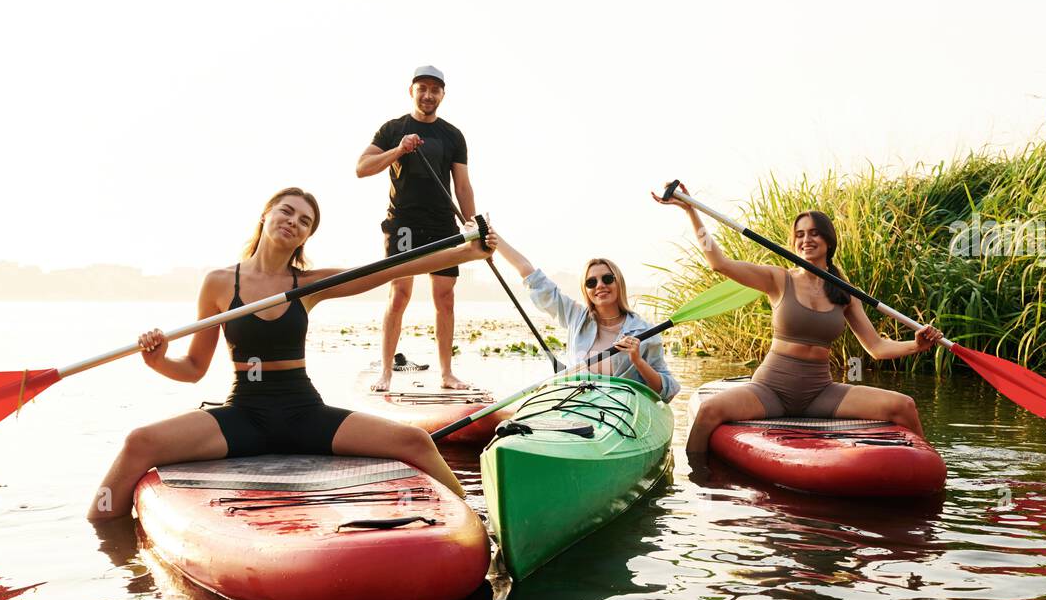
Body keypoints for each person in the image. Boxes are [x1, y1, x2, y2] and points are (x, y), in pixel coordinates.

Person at [86, 187, 492, 520]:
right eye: (287, 212)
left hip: (303, 413)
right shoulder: (219, 283)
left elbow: (389, 269)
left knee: (416, 441)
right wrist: (158, 361)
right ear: (265, 215)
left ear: (305, 237)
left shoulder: (309, 284)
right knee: (139, 442)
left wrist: (466, 253)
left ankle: (478, 526)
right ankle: (107, 537)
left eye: (304, 222)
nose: (293, 222)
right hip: (244, 414)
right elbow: (193, 368)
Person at [653, 182, 941, 452]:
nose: (806, 239)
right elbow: (719, 263)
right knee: (709, 411)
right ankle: (697, 476)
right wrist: (691, 211)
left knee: (904, 405)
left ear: (828, 240)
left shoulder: (846, 292)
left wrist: (916, 345)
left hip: (820, 392)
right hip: (770, 389)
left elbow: (876, 347)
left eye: (814, 233)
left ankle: (929, 467)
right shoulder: (778, 279)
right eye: (800, 234)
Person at [356, 65, 475, 392]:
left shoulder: (452, 135)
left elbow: (462, 186)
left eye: (434, 90)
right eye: (422, 88)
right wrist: (399, 150)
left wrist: (472, 225)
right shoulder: (393, 129)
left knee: (445, 298)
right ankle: (386, 373)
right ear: (412, 91)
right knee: (400, 295)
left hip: (442, 224)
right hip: (403, 223)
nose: (428, 95)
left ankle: (447, 374)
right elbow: (362, 168)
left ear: (442, 95)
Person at [490, 234, 679, 401]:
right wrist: (494, 238)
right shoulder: (576, 316)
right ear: (586, 290)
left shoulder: (645, 331)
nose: (600, 286)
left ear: (618, 282)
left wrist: (637, 360)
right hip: (578, 404)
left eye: (607, 279)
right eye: (591, 282)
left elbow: (666, 391)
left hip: (622, 411)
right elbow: (529, 272)